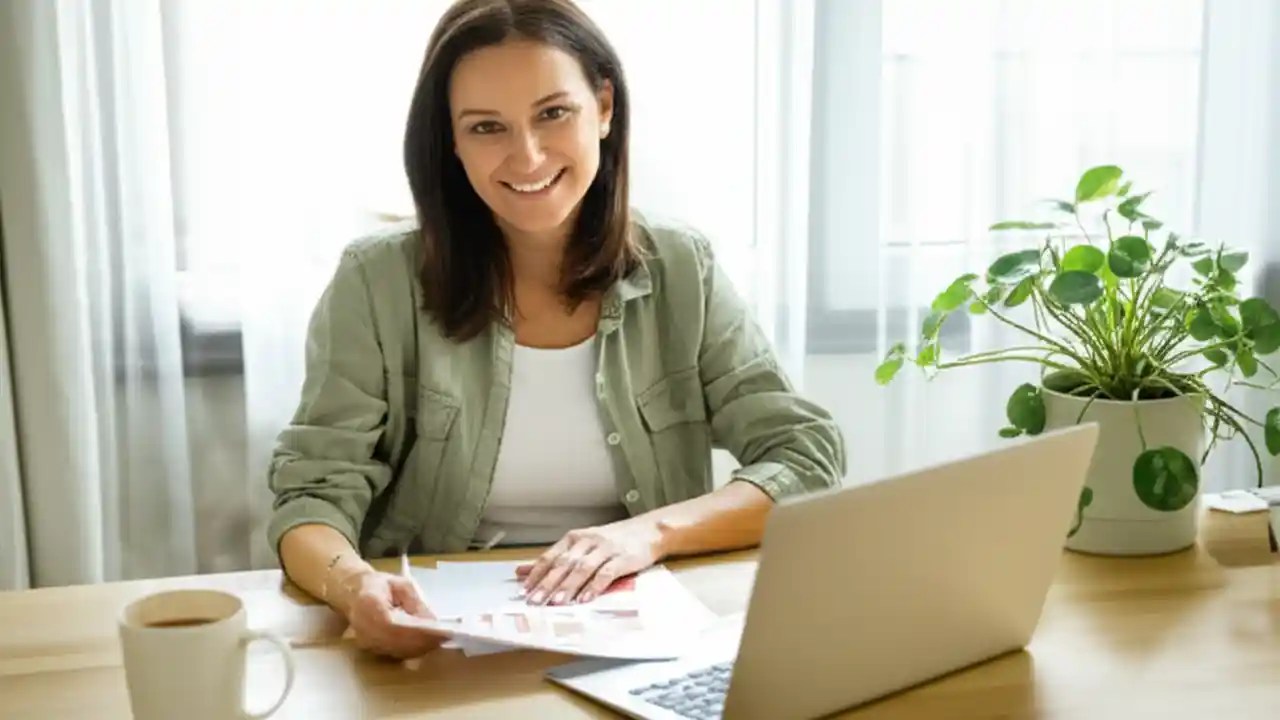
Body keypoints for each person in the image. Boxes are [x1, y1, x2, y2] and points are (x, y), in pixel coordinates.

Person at [267, 0, 846, 660]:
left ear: (603, 107)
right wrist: (354, 588)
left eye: (553, 112)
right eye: (487, 127)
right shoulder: (375, 281)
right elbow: (312, 494)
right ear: (450, 142)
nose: (528, 154)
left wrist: (647, 535)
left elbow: (806, 457)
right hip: (439, 643)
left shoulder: (684, 267)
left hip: (643, 637)